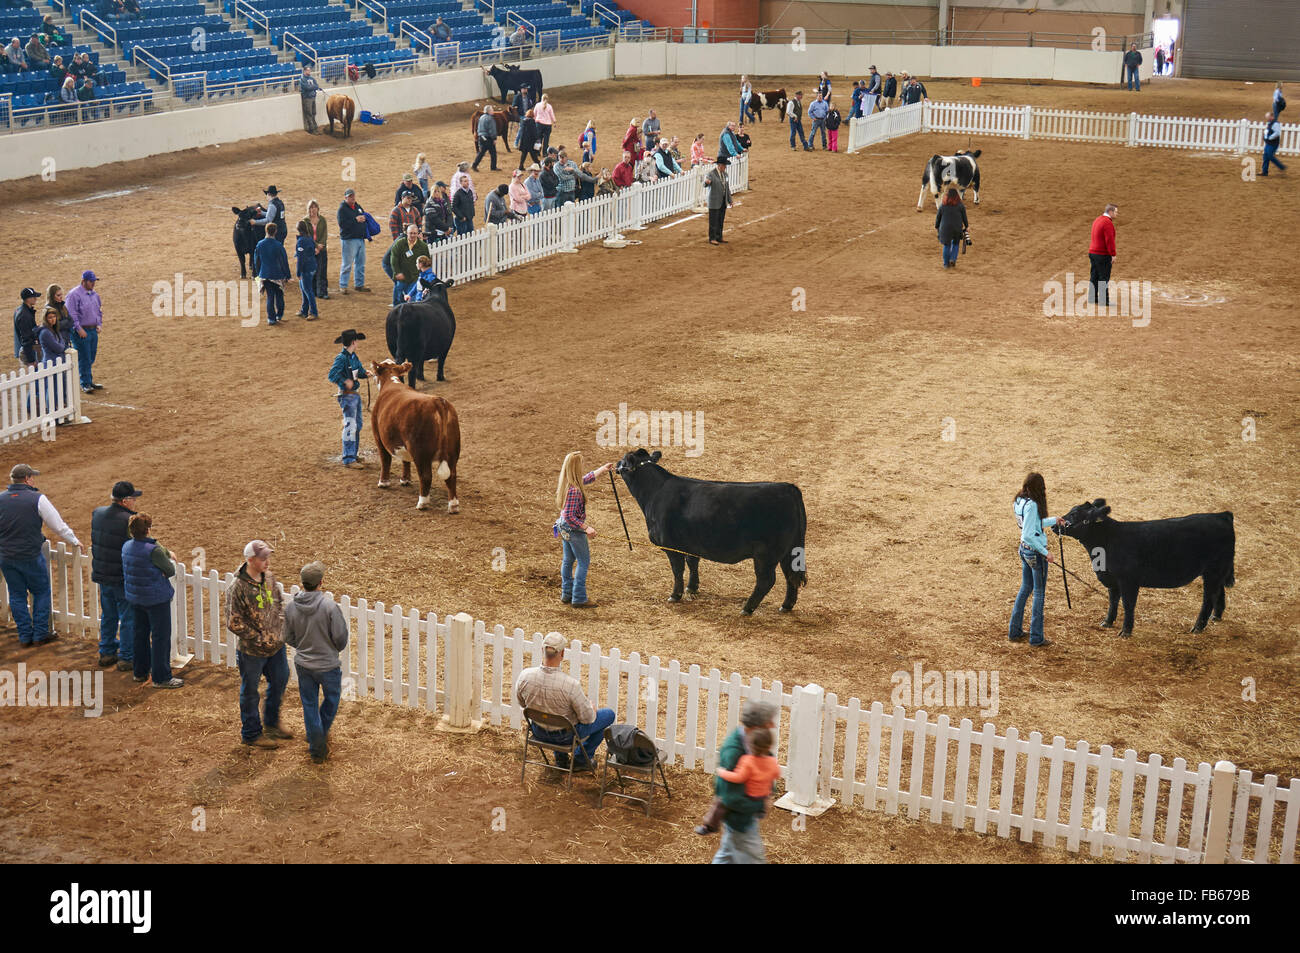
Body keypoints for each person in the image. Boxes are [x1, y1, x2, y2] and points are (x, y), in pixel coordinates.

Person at [0, 464, 82, 647]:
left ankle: (24, 636)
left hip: (6, 555)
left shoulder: (1, 498)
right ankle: (40, 634)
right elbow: (57, 524)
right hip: (29, 554)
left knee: (16, 594)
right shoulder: (37, 498)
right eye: (32, 477)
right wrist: (74, 540)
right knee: (40, 591)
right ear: (28, 479)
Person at [515, 632, 616, 768]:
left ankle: (561, 760)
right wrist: (591, 709)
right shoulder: (570, 685)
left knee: (555, 714)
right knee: (609, 715)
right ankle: (580, 760)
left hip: (538, 731)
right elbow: (588, 719)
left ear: (542, 650)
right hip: (564, 737)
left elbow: (522, 703)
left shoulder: (524, 676)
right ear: (562, 654)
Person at [226, 540, 291, 749]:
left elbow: (279, 603)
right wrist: (258, 637)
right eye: (263, 558)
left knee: (280, 680)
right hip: (252, 651)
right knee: (250, 691)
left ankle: (271, 723)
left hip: (276, 647)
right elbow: (234, 622)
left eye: (268, 557)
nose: (267, 562)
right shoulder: (238, 588)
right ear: (250, 560)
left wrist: (279, 628)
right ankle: (251, 733)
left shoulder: (269, 578)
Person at [284, 561, 348, 763]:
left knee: (309, 704)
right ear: (322, 582)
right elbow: (340, 638)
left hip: (303, 664)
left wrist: (302, 647)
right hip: (328, 665)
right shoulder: (330, 607)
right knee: (332, 700)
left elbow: (287, 636)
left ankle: (315, 738)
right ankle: (318, 740)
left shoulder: (291, 607)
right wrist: (331, 650)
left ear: (302, 583)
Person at [709, 699, 778, 863]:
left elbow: (767, 766)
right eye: (769, 723)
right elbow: (730, 796)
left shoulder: (756, 745)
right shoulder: (733, 752)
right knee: (754, 858)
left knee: (727, 854)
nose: (773, 726)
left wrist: (768, 791)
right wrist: (760, 805)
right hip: (739, 818)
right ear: (756, 727)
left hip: (744, 815)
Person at [121, 513, 182, 689]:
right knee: (160, 637)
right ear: (148, 530)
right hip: (156, 599)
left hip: (135, 597)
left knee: (139, 634)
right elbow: (170, 570)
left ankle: (139, 672)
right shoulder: (153, 550)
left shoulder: (126, 546)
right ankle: (161, 677)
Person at [90, 480, 142, 670]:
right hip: (121, 576)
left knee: (109, 614)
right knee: (128, 617)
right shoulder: (129, 520)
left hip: (103, 573)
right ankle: (127, 656)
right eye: (133, 498)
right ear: (125, 500)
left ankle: (106, 651)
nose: (135, 502)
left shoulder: (97, 514)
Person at [553, 452, 613, 609]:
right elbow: (570, 516)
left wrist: (602, 469)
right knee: (583, 561)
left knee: (568, 561)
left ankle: (567, 593)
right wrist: (586, 528)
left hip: (564, 528)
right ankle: (579, 597)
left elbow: (587, 478)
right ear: (576, 468)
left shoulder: (568, 483)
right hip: (573, 530)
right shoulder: (574, 491)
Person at [1010, 473, 1060, 648]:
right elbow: (1029, 534)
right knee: (1039, 593)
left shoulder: (1020, 501)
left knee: (1025, 589)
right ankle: (1036, 637)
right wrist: (1045, 552)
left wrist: (1054, 520)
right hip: (1035, 553)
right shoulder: (1032, 505)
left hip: (1024, 551)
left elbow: (1032, 525)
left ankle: (1015, 631)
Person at [715, 725, 779, 813]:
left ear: (750, 745)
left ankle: (709, 825)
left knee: (722, 801)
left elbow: (738, 777)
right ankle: (761, 811)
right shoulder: (773, 761)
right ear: (769, 746)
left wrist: (722, 772)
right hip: (764, 797)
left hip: (751, 797)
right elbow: (777, 774)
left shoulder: (747, 760)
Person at [328, 329, 368, 469]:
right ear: (353, 342)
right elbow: (332, 375)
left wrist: (365, 374)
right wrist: (345, 381)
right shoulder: (342, 358)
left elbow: (359, 371)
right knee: (351, 425)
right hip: (347, 395)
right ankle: (349, 458)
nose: (357, 343)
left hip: (353, 394)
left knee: (357, 424)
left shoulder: (352, 356)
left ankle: (352, 454)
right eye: (356, 340)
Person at [65, 269, 103, 394]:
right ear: (83, 281)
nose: (93, 283)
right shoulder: (73, 295)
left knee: (91, 356)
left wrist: (99, 324)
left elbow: (98, 310)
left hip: (92, 330)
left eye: (94, 281)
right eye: (91, 281)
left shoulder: (94, 294)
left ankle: (88, 380)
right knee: (84, 357)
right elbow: (71, 314)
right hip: (81, 331)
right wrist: (79, 328)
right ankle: (85, 383)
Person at [254, 223, 290, 325]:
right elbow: (284, 261)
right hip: (277, 275)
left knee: (270, 296)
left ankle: (271, 318)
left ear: (266, 231)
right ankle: (279, 315)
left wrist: (258, 273)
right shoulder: (278, 245)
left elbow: (256, 260)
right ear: (275, 232)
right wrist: (287, 275)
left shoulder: (260, 244)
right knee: (279, 295)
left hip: (265, 274)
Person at [337, 188, 371, 294]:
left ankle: (359, 285)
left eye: (353, 196)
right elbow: (342, 224)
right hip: (349, 240)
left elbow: (363, 216)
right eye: (350, 196)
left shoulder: (357, 206)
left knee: (360, 263)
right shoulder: (342, 209)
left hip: (360, 239)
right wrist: (356, 220)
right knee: (347, 264)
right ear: (345, 197)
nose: (352, 198)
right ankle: (343, 285)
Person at [389, 224, 430, 304]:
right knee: (397, 300)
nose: (412, 235)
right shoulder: (399, 244)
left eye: (414, 233)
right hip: (401, 277)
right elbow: (394, 259)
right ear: (407, 233)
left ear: (418, 234)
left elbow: (426, 262)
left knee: (411, 300)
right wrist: (397, 272)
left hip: (414, 277)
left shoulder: (423, 246)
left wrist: (424, 275)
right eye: (410, 233)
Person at [1088, 203, 1117, 306]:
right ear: (1110, 211)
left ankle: (1092, 297)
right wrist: (1113, 254)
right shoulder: (1107, 223)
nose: (1116, 214)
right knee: (1103, 277)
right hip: (1102, 254)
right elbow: (1109, 240)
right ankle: (1104, 300)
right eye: (1115, 212)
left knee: (1094, 276)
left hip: (1092, 252)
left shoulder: (1097, 219)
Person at [302, 199, 329, 301]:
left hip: (321, 249)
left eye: (314, 207)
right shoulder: (305, 221)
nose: (313, 210)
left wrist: (319, 246)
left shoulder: (322, 220)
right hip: (310, 249)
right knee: (312, 272)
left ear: (318, 208)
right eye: (310, 208)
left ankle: (323, 292)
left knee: (322, 271)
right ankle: (313, 291)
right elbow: (306, 235)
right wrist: (315, 246)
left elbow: (324, 235)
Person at [704, 156, 733, 246]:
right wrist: (706, 182)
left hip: (722, 200)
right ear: (720, 165)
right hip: (714, 200)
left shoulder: (725, 175)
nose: (725, 167)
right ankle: (712, 238)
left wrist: (730, 200)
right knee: (713, 221)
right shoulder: (711, 174)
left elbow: (727, 188)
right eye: (724, 165)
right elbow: (704, 184)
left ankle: (719, 236)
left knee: (720, 220)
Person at [936, 188, 968, 269]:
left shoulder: (942, 205)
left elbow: (938, 218)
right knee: (956, 243)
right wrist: (967, 226)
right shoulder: (960, 205)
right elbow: (964, 217)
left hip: (945, 228)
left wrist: (937, 226)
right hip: (957, 228)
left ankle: (946, 264)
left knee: (946, 245)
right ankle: (953, 259)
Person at [294, 221, 318, 318]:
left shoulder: (301, 241)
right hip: (312, 266)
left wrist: (298, 272)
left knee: (307, 290)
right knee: (304, 289)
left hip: (306, 269)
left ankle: (313, 312)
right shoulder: (309, 238)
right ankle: (304, 310)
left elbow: (301, 258)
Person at [13, 287, 39, 367]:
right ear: (28, 299)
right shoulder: (25, 316)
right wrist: (31, 360)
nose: (36, 298)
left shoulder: (21, 310)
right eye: (33, 296)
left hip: (26, 348)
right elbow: (26, 338)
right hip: (29, 350)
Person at [1261, 111, 1287, 177]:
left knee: (1270, 156)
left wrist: (1269, 137)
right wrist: (1265, 136)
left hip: (1273, 144)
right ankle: (1264, 172)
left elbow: (1277, 133)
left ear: (1272, 117)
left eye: (1268, 117)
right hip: (1268, 143)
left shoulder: (1275, 123)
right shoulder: (1270, 123)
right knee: (1265, 157)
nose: (1267, 119)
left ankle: (1281, 167)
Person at [299, 63, 321, 134]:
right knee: (309, 113)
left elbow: (316, 86)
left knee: (313, 113)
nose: (309, 72)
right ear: (305, 71)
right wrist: (313, 87)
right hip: (307, 98)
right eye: (308, 70)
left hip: (313, 97)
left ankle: (315, 127)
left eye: (309, 70)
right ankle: (312, 129)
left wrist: (312, 87)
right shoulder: (302, 79)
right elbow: (307, 87)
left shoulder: (312, 78)